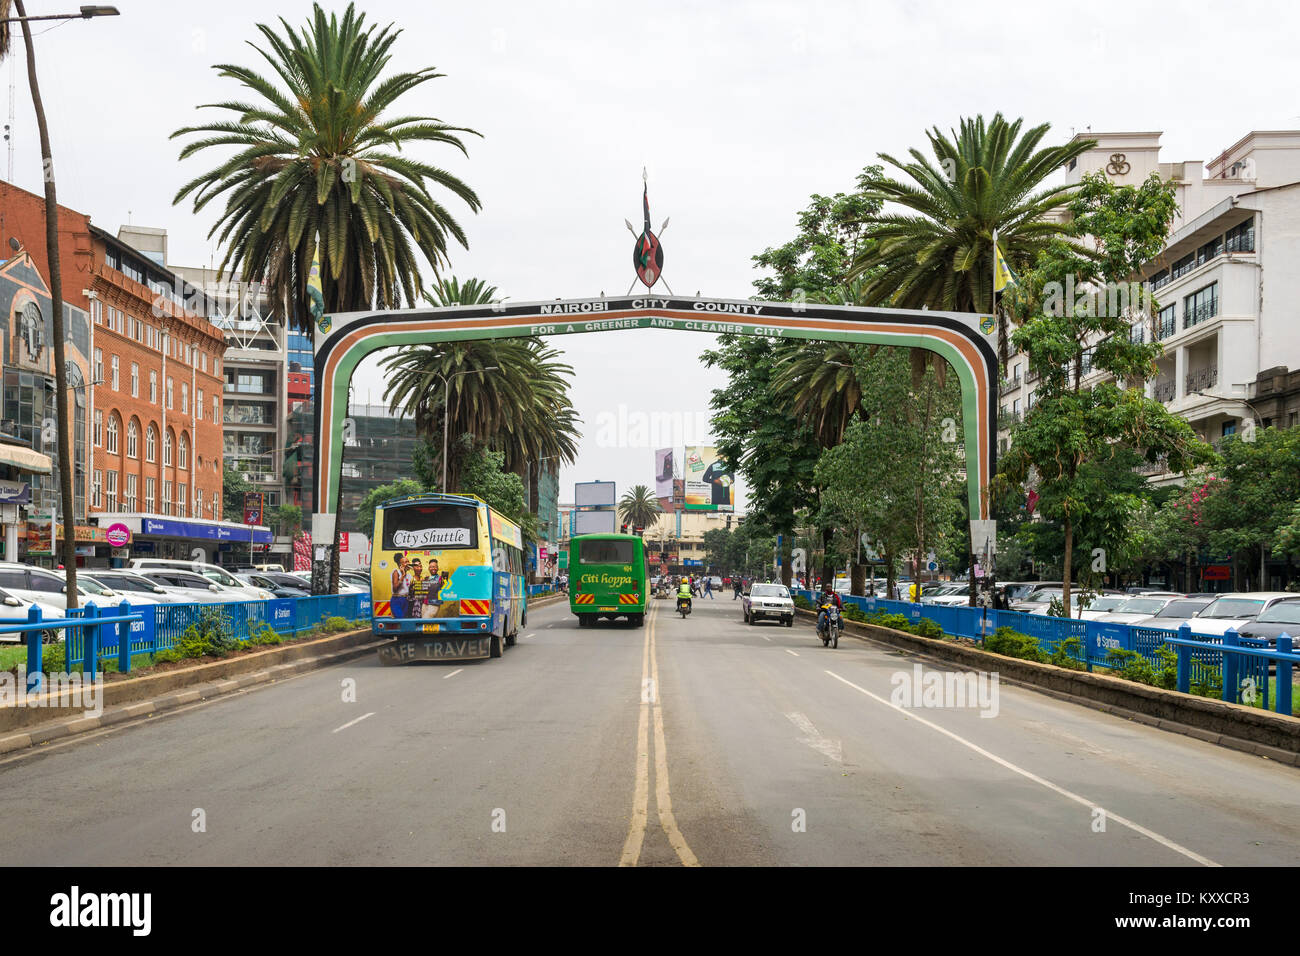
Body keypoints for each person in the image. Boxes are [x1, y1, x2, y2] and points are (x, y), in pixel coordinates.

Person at [390, 552, 411, 618]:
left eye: (408, 561)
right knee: (400, 619)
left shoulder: (409, 575)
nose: (407, 563)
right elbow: (395, 588)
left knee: (405, 620)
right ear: (400, 565)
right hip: (397, 600)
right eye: (405, 562)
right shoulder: (396, 572)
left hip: (406, 600)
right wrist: (403, 575)